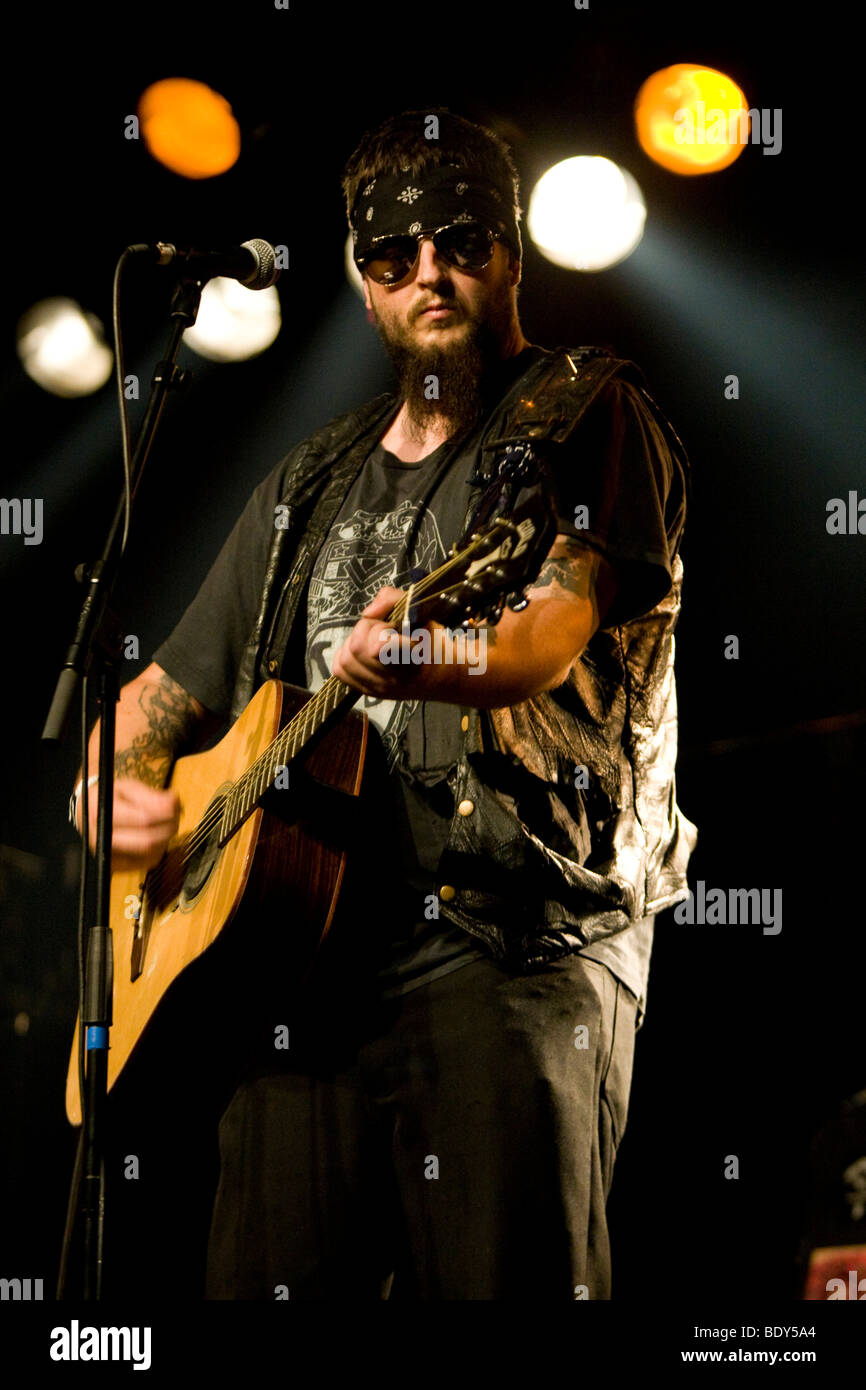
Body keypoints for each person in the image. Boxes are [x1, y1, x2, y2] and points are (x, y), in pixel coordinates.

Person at [72, 108, 697, 1300]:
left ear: (510, 252)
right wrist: (115, 796)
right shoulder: (307, 479)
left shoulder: (581, 411)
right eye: (390, 258)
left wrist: (418, 657)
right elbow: (156, 696)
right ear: (360, 282)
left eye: (460, 243)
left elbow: (542, 636)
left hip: (513, 942)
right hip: (296, 974)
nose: (429, 277)